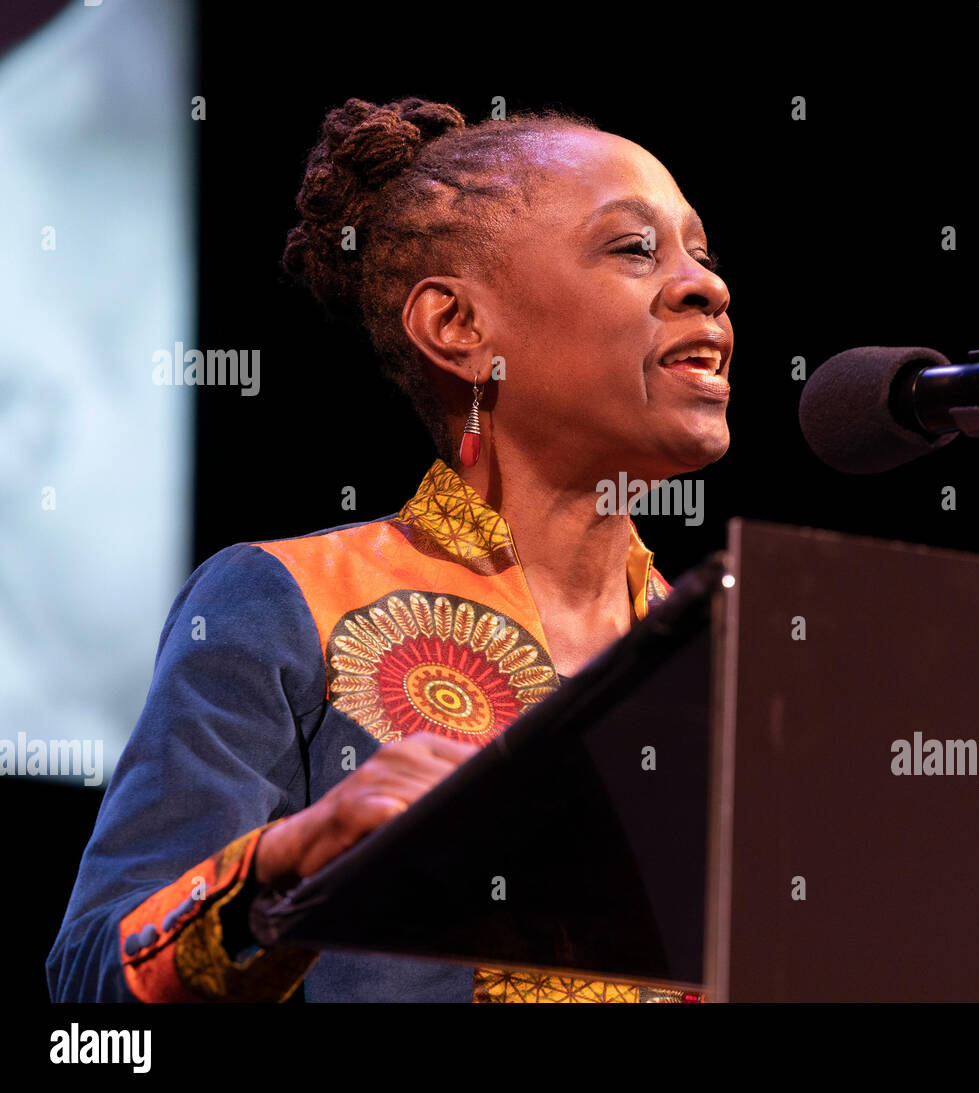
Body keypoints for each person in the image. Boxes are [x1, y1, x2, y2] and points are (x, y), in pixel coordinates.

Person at [46, 96, 732, 1002]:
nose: (705, 286)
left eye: (701, 252)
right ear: (457, 326)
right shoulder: (284, 599)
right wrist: (284, 866)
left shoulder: (728, 668)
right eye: (634, 249)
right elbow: (90, 991)